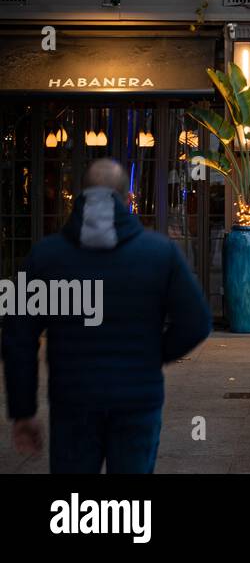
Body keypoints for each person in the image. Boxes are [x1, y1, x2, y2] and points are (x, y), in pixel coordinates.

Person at [2, 159, 211, 474]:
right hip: (138, 398)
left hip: (73, 399)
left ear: (80, 196)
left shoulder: (46, 256)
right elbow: (197, 322)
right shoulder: (159, 253)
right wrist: (153, 355)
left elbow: (18, 336)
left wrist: (23, 411)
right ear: (128, 200)